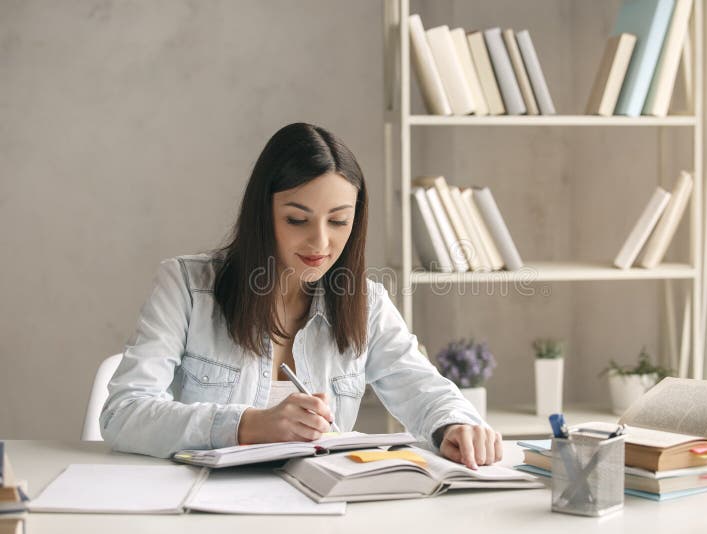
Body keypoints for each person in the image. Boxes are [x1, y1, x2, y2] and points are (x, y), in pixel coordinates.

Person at [101, 122, 502, 469]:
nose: (320, 242)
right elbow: (123, 413)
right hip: (206, 505)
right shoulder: (187, 286)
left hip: (322, 507)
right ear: (263, 213)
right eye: (297, 219)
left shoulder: (366, 302)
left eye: (339, 221)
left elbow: (423, 389)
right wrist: (247, 425)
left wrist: (456, 425)